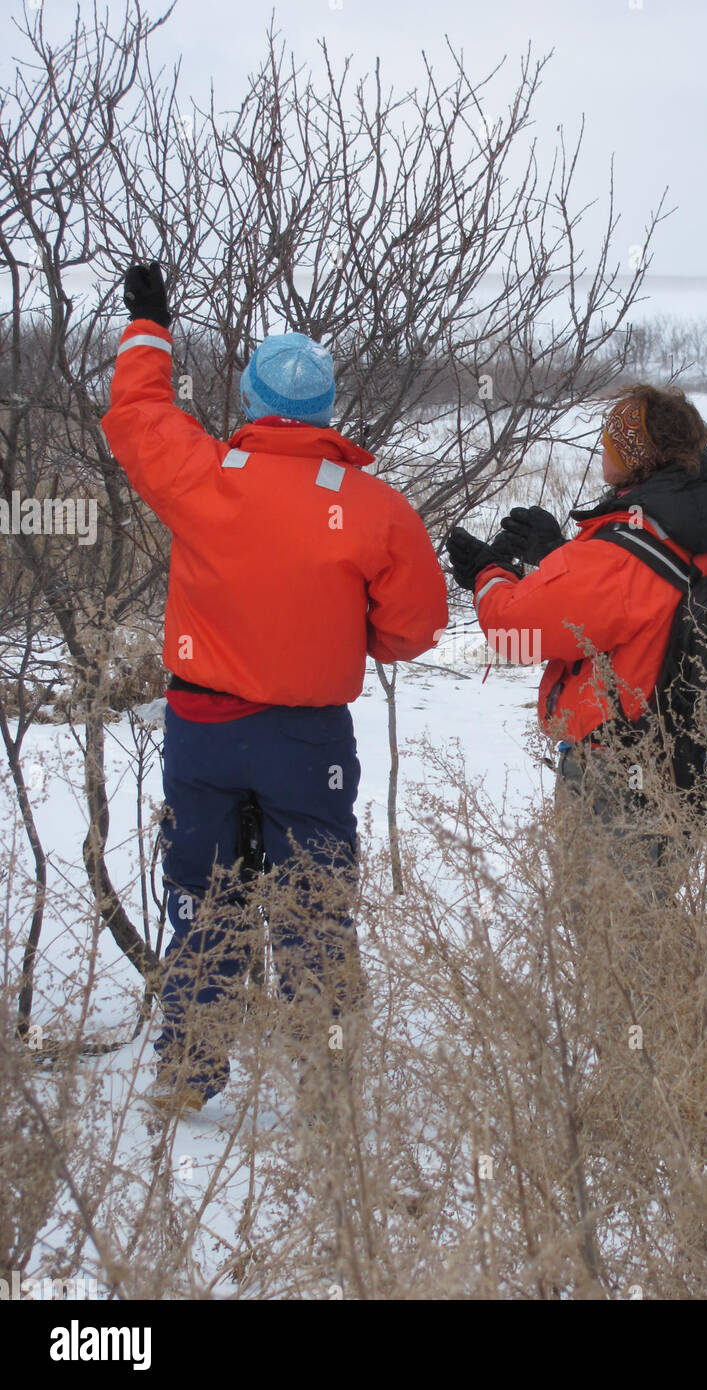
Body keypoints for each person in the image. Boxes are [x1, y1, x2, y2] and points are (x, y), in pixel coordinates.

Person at [102, 262, 448, 1113]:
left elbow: (139, 417)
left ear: (254, 402)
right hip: (309, 742)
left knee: (205, 902)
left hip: (202, 729)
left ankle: (186, 1080)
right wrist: (333, 628)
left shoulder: (206, 475)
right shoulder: (375, 509)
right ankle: (328, 1084)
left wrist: (149, 325)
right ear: (327, 411)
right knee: (315, 912)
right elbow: (413, 629)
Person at [445, 385, 707, 900]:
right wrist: (562, 557)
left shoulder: (618, 553)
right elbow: (646, 610)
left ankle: (656, 984)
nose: (602, 449)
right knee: (650, 912)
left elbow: (515, 632)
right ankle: (684, 983)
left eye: (611, 441)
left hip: (617, 765)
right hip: (693, 760)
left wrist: (488, 574)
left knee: (608, 930)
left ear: (633, 457)